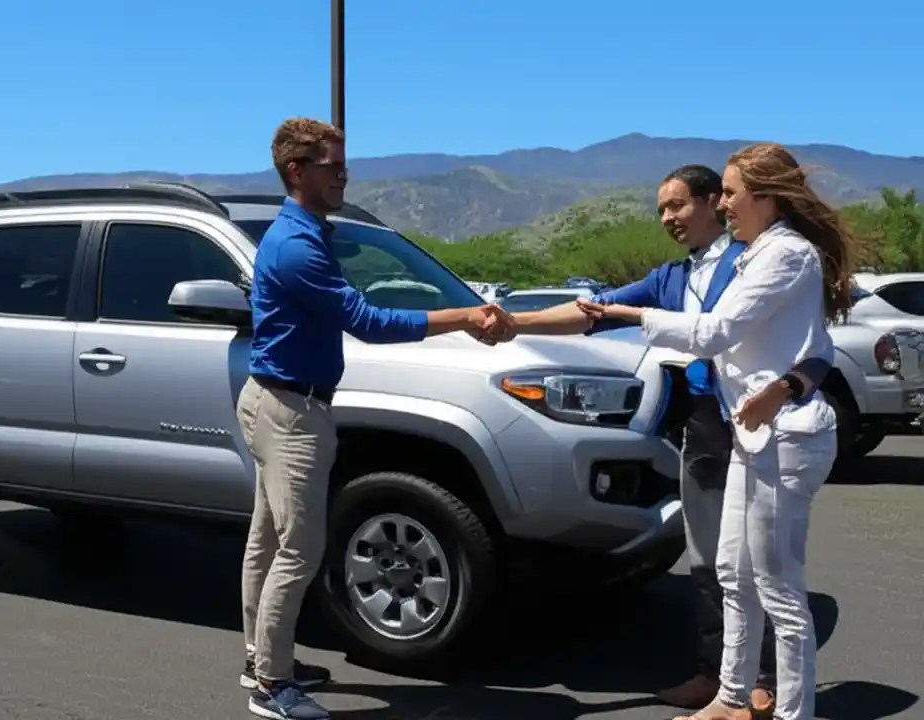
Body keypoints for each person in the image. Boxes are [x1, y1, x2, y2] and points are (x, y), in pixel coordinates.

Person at [506, 164, 833, 718]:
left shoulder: (757, 259)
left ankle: (767, 688)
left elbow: (808, 348)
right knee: (718, 562)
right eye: (661, 210)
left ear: (711, 202)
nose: (667, 219)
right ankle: (721, 682)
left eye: (678, 206)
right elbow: (594, 313)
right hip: (708, 423)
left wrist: (787, 386)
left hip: (765, 425)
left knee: (772, 574)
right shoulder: (673, 277)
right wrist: (517, 323)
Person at [237, 116, 512, 720]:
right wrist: (462, 317)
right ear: (297, 171)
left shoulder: (306, 234)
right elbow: (366, 320)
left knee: (267, 541)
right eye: (332, 166)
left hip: (276, 400)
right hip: (290, 411)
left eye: (343, 165)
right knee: (299, 551)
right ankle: (272, 685)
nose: (344, 175)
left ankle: (262, 658)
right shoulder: (296, 246)